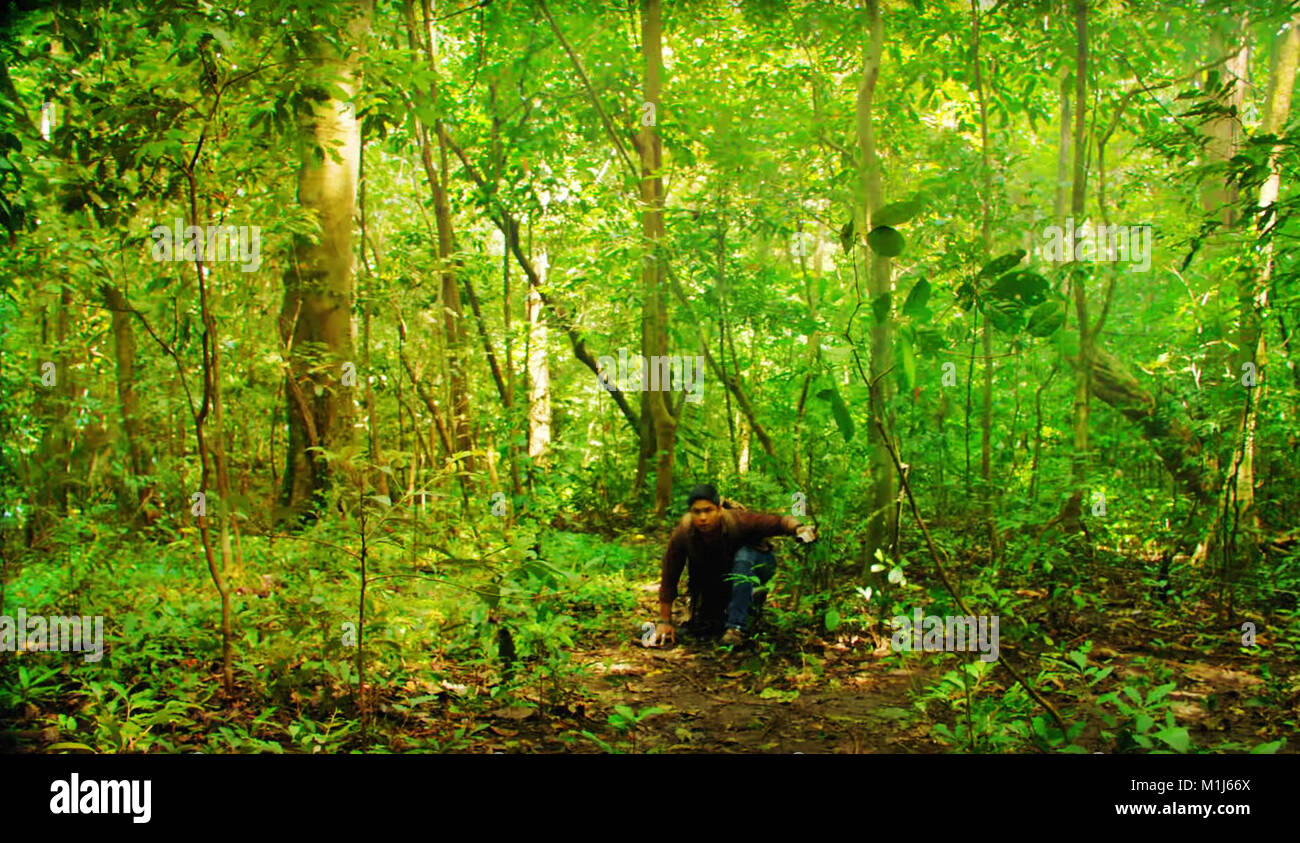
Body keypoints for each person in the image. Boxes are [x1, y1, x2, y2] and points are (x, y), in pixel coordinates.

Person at [650, 484, 816, 647]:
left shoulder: (737, 520)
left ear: (719, 509)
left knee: (743, 557)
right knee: (707, 623)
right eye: (697, 512)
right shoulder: (684, 532)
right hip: (721, 575)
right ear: (690, 513)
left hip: (757, 564)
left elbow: (779, 522)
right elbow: (670, 575)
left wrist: (799, 528)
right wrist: (664, 621)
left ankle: (736, 628)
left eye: (708, 510)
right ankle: (738, 606)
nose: (703, 518)